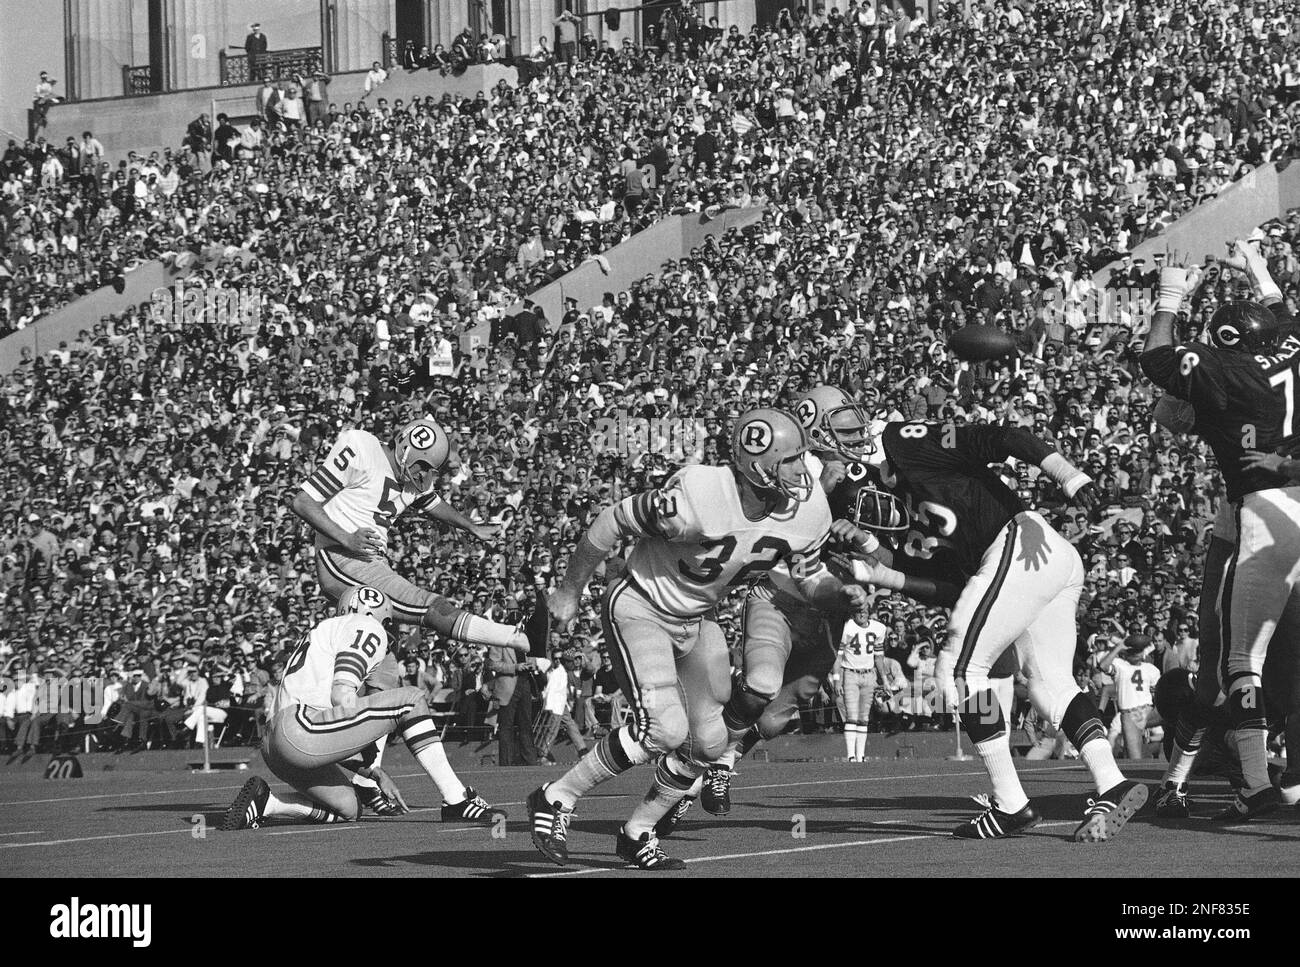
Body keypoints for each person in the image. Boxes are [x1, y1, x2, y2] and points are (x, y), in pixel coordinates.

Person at [527, 408, 867, 869]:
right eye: (789, 459)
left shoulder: (807, 511)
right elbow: (611, 522)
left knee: (708, 747)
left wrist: (838, 594)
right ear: (756, 462)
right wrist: (569, 591)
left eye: (801, 457)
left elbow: (808, 576)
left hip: (696, 618)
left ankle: (637, 833)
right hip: (641, 604)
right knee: (663, 728)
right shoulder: (698, 495)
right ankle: (557, 796)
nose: (799, 469)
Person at [832, 416, 1147, 842]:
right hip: (1046, 558)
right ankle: (1114, 784)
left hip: (1020, 542)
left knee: (960, 673)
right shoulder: (914, 521)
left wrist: (1068, 476)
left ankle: (1010, 804)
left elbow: (1002, 436)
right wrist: (875, 570)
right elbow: (951, 589)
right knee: (1050, 685)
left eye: (867, 502)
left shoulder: (905, 444)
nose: (874, 513)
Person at [1140, 240, 1300, 822]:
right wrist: (1255, 262)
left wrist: (1171, 291)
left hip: (1255, 523)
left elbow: (1167, 389)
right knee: (1219, 674)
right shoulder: (1289, 346)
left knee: (1233, 663)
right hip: (1276, 514)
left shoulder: (1221, 378)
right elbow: (1281, 307)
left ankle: (1255, 782)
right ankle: (1180, 779)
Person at [222, 586, 505, 830]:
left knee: (348, 808)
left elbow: (324, 723)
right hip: (300, 730)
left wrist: (372, 771)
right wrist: (367, 744)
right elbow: (341, 695)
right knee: (412, 699)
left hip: (276, 746)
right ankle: (457, 799)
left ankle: (268, 804)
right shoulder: (365, 626)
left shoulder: (321, 633)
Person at [1098, 637, 1161, 760]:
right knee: (1134, 756)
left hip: (1148, 711)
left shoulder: (1151, 669)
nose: (1136, 654)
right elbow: (1103, 665)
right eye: (1133, 651)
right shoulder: (1120, 665)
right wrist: (1119, 647)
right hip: (1129, 713)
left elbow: (1158, 692)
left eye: (1138, 651)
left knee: (1174, 717)